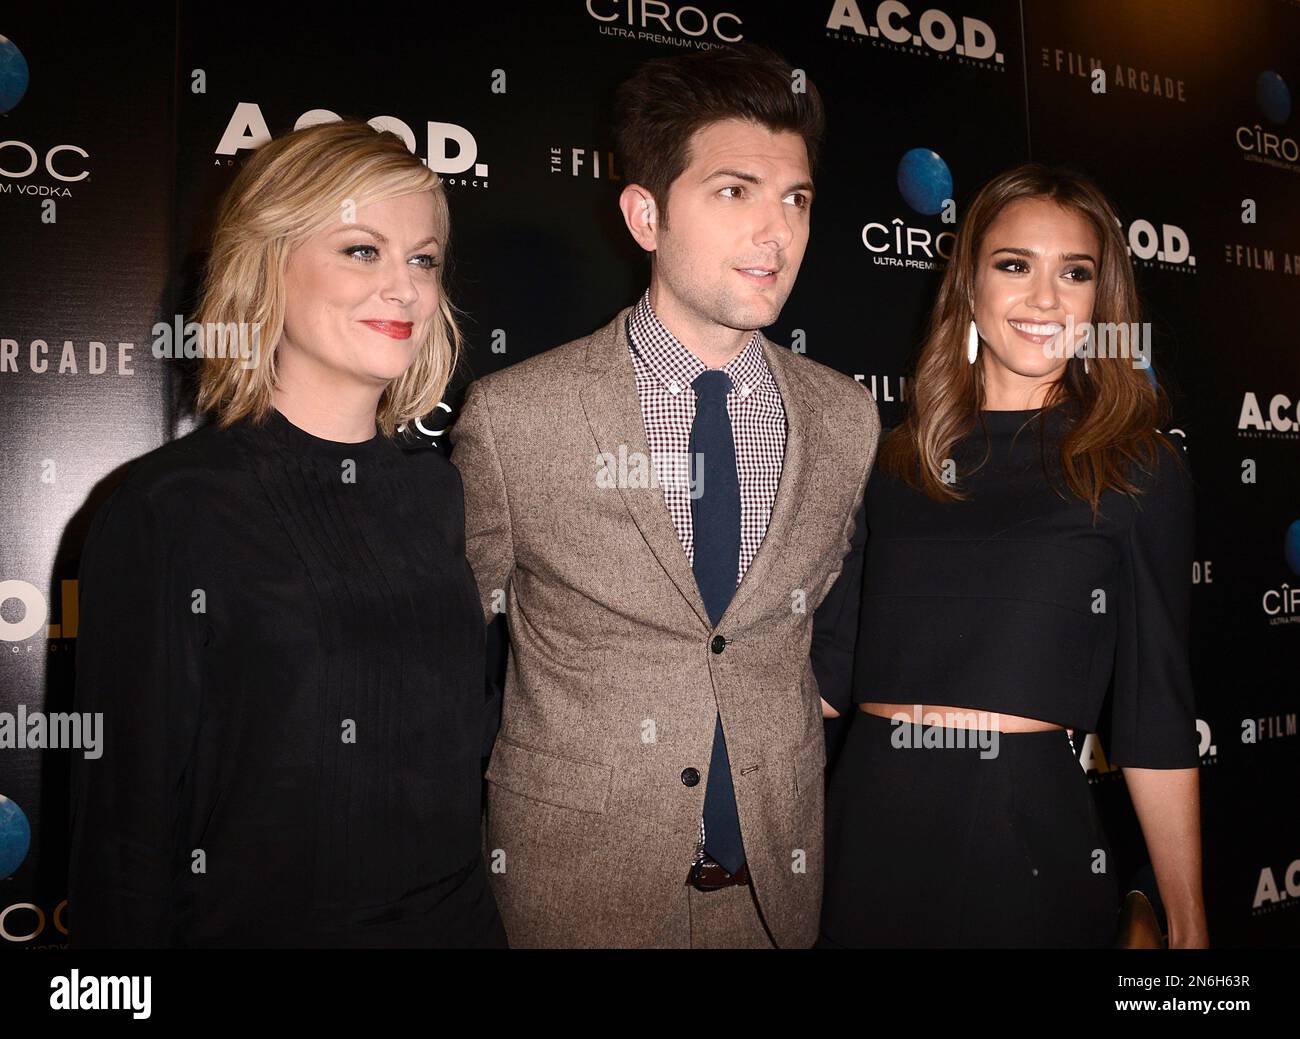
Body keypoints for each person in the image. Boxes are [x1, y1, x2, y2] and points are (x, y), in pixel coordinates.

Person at [449, 43, 879, 948]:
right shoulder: (516, 417)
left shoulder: (846, 419)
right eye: (734, 192)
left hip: (776, 891)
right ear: (646, 216)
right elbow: (442, 656)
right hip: (573, 893)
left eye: (795, 198)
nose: (776, 231)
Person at [68, 119, 506, 948]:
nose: (406, 288)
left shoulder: (435, 490)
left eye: (423, 259)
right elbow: (124, 833)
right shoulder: (172, 507)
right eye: (361, 250)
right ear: (268, 261)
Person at [817, 162, 1208, 948]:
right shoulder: (900, 458)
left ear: (1102, 300)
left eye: (1075, 273)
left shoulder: (1135, 467)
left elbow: (1153, 712)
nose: (1044, 299)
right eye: (1014, 265)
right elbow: (828, 675)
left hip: (1026, 839)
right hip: (868, 833)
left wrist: (1189, 918)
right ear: (968, 286)